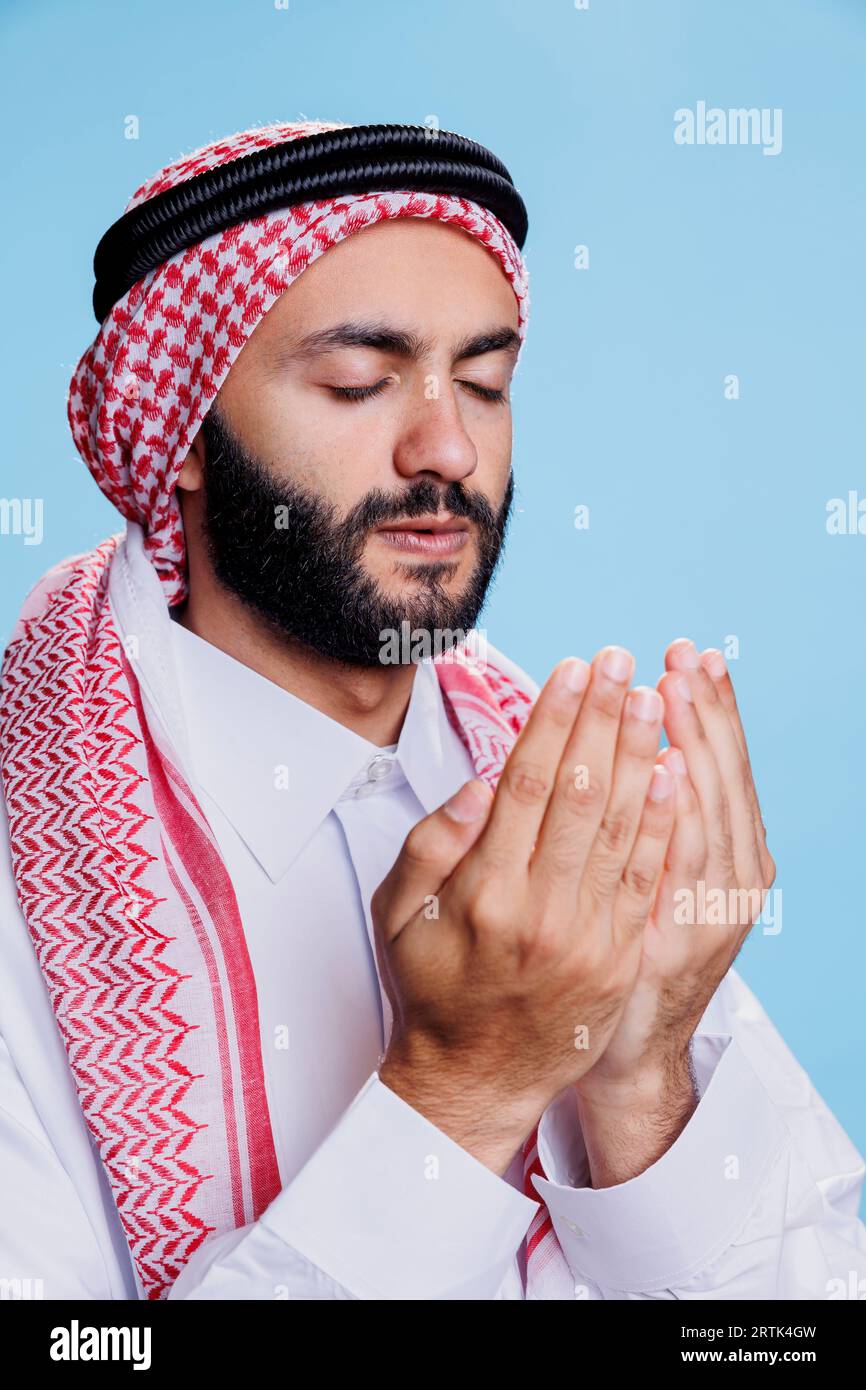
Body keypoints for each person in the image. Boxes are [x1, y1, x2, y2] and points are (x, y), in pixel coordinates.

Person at [0, 119, 863, 1302]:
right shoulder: (26, 871)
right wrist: (462, 1093)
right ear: (181, 431)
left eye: (483, 381)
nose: (448, 445)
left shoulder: (580, 806)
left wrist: (640, 1079)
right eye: (358, 381)